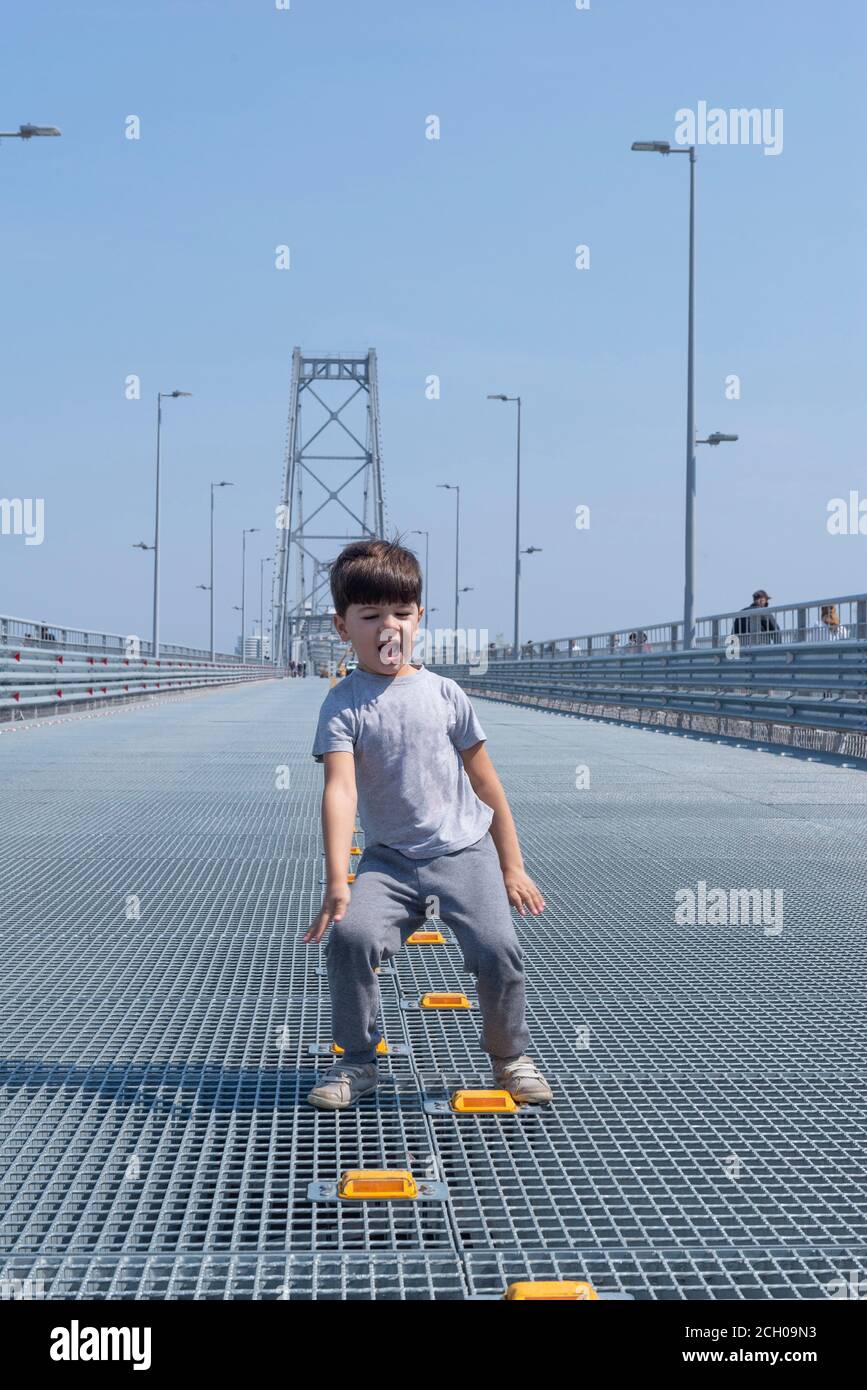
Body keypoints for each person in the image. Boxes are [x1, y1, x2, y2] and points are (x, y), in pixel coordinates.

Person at [305, 537, 552, 1110]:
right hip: (389, 860)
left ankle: (510, 1057)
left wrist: (511, 865)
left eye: (401, 614)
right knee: (351, 939)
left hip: (464, 851)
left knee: (497, 949)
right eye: (370, 617)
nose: (387, 628)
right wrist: (338, 880)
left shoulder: (445, 694)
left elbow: (488, 783)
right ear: (343, 627)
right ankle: (358, 1060)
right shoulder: (342, 704)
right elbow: (340, 790)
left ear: (420, 617)